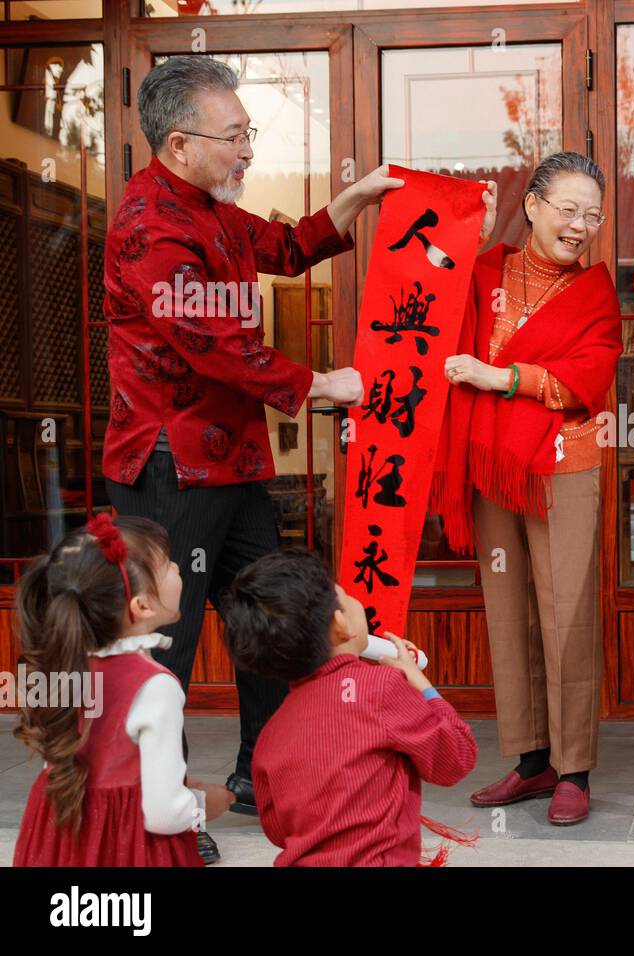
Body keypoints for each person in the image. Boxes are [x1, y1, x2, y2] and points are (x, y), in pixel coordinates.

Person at [101, 55, 411, 863]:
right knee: (158, 645)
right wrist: (322, 383)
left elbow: (285, 244)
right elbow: (209, 345)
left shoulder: (212, 206)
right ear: (179, 143)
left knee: (271, 623)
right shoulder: (149, 225)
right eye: (235, 135)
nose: (247, 150)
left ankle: (263, 778)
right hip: (171, 465)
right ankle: (149, 823)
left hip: (234, 463)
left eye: (249, 132)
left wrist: (355, 199)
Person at [431, 152, 622, 826]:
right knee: (508, 608)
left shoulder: (597, 294)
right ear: (533, 205)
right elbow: (434, 314)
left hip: (564, 464)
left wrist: (503, 378)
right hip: (494, 463)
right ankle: (531, 759)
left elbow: (587, 378)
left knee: (566, 614)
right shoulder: (486, 273)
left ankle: (575, 769)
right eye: (567, 208)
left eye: (591, 214)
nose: (579, 225)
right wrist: (469, 241)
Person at [221, 548, 477, 866]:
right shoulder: (381, 688)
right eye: (343, 594)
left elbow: (276, 829)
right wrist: (420, 684)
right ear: (340, 622)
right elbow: (456, 758)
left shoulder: (271, 733)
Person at [13, 514, 234, 867]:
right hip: (130, 847)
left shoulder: (64, 665)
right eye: (168, 564)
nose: (178, 568)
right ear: (141, 606)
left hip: (64, 838)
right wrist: (204, 804)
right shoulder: (155, 686)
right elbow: (163, 814)